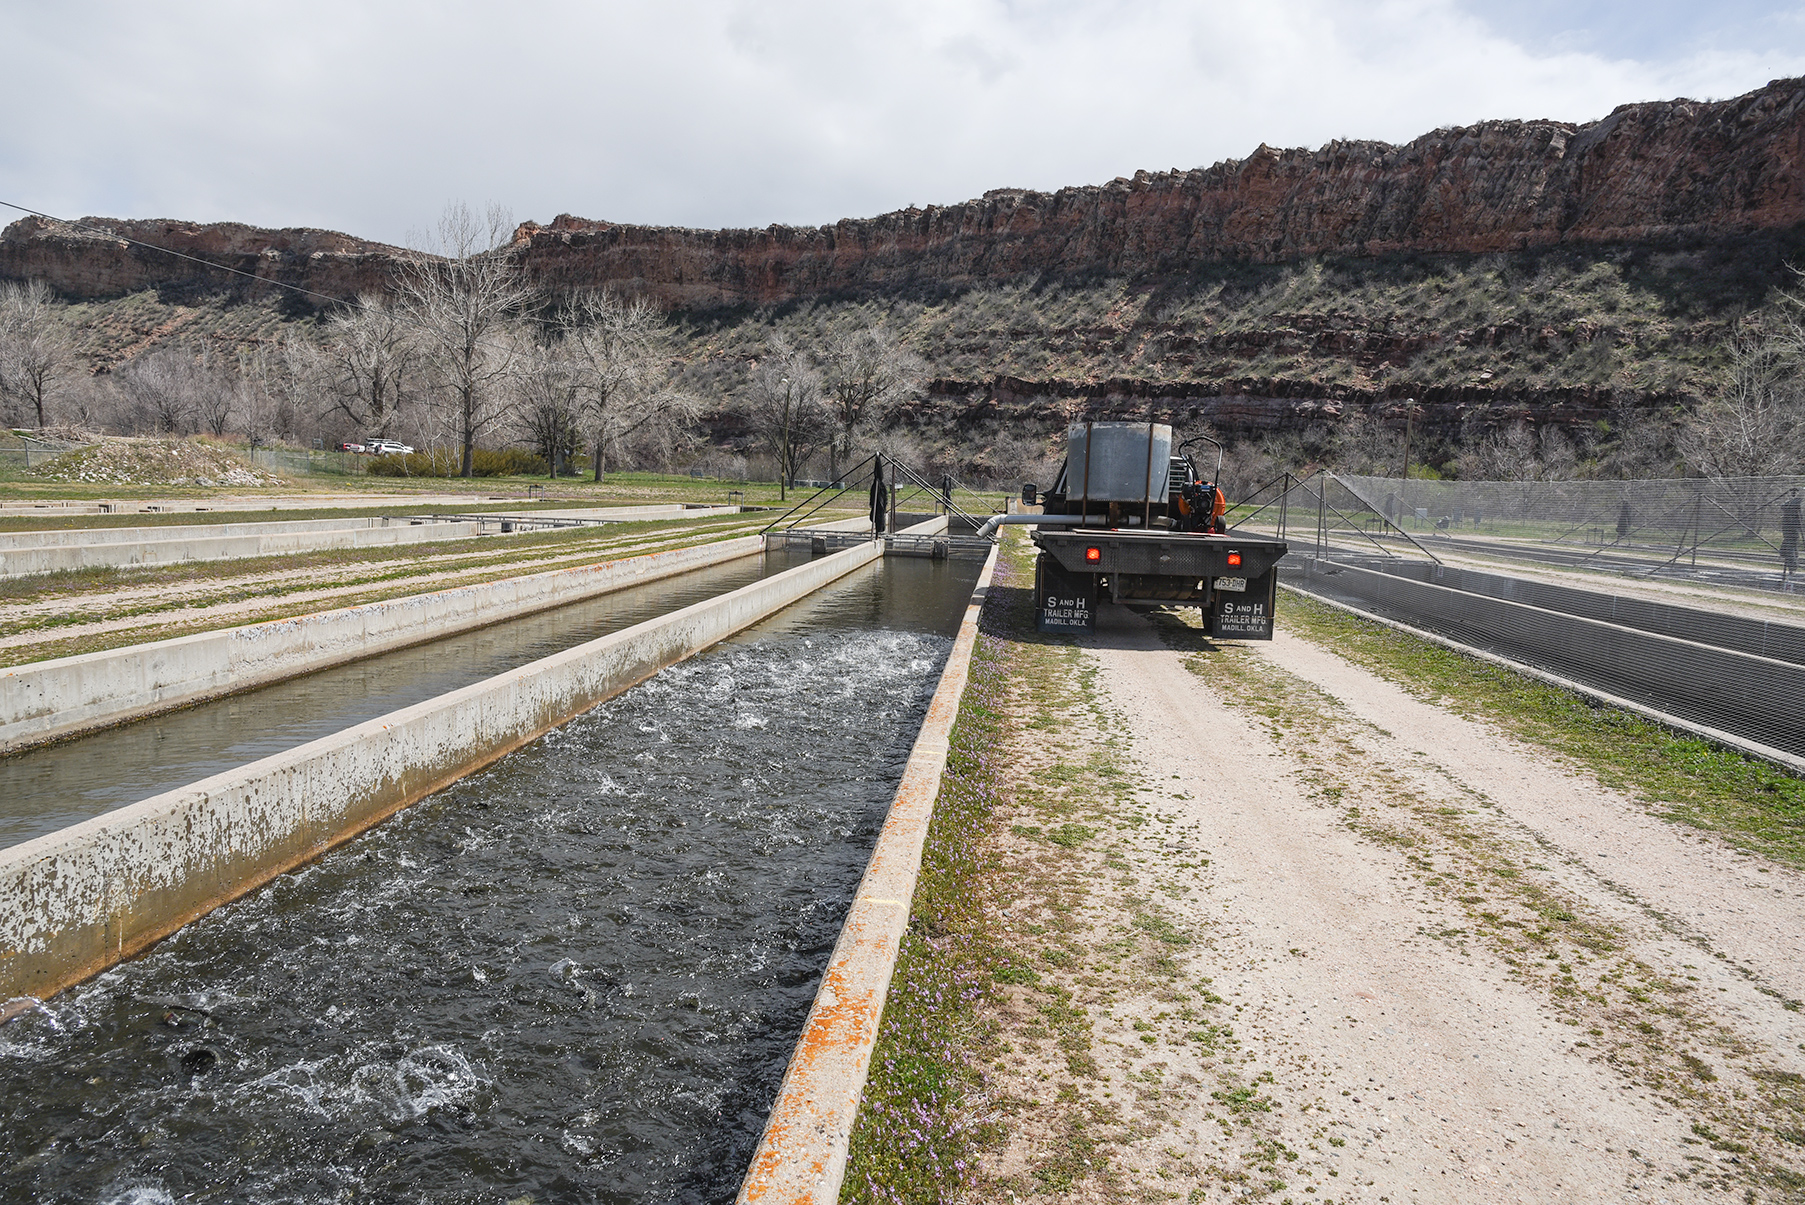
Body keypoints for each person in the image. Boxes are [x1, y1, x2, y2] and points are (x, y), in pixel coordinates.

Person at [1781, 489, 1801, 581]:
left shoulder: (1797, 504)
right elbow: (1783, 506)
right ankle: (1792, 567)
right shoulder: (1788, 505)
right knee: (1786, 549)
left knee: (1789, 548)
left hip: (1793, 531)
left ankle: (1793, 567)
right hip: (1787, 530)